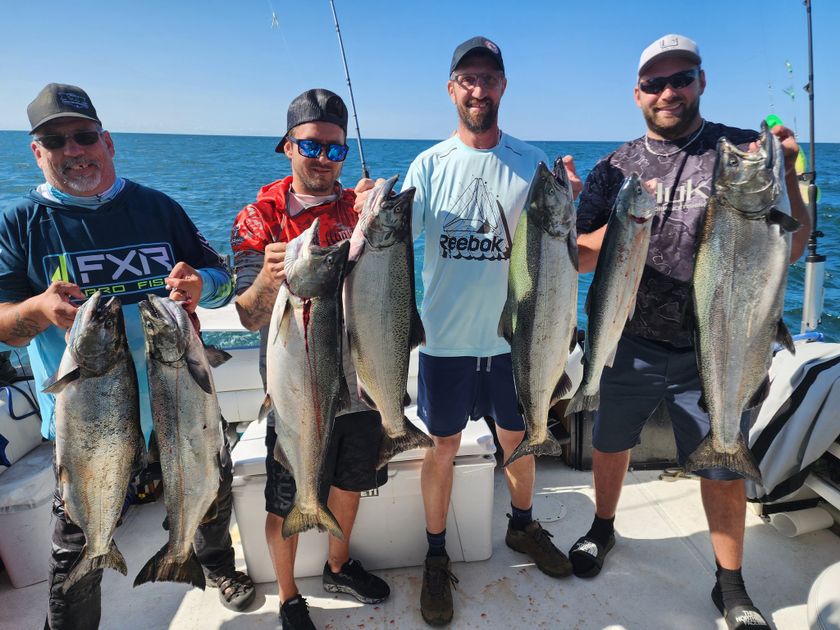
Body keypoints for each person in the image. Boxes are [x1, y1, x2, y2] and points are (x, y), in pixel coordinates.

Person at [571, 35, 811, 629]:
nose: (668, 92)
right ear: (637, 94)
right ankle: (603, 528)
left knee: (722, 462)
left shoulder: (738, 150)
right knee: (608, 440)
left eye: (681, 78)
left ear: (702, 82)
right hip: (630, 335)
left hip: (719, 344)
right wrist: (627, 228)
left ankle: (730, 583)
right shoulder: (615, 165)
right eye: (654, 83)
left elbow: (793, 245)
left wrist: (793, 177)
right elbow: (575, 255)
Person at [0, 83, 255, 629]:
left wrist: (200, 286)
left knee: (209, 491)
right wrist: (38, 310)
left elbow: (223, 277)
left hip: (179, 398)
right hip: (88, 422)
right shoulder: (19, 223)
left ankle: (213, 564)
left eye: (85, 136)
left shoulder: (158, 208)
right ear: (37, 152)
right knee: (77, 541)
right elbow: (4, 327)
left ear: (108, 141)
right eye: (56, 140)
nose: (74, 150)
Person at [356, 36, 581, 627]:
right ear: (452, 89)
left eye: (489, 78)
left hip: (516, 341)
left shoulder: (533, 164)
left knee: (519, 439)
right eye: (468, 79)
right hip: (445, 342)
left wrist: (574, 205)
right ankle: (436, 556)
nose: (479, 89)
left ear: (503, 86)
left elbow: (555, 253)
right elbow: (394, 242)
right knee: (443, 449)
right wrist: (366, 211)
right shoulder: (428, 165)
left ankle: (524, 528)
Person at [230, 88, 390, 630]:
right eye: (311, 146)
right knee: (287, 493)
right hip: (294, 382)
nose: (323, 159)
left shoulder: (357, 210)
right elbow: (249, 317)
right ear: (287, 146)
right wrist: (270, 280)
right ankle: (289, 595)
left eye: (335, 150)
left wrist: (379, 207)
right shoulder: (259, 217)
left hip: (358, 376)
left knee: (351, 480)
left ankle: (339, 565)